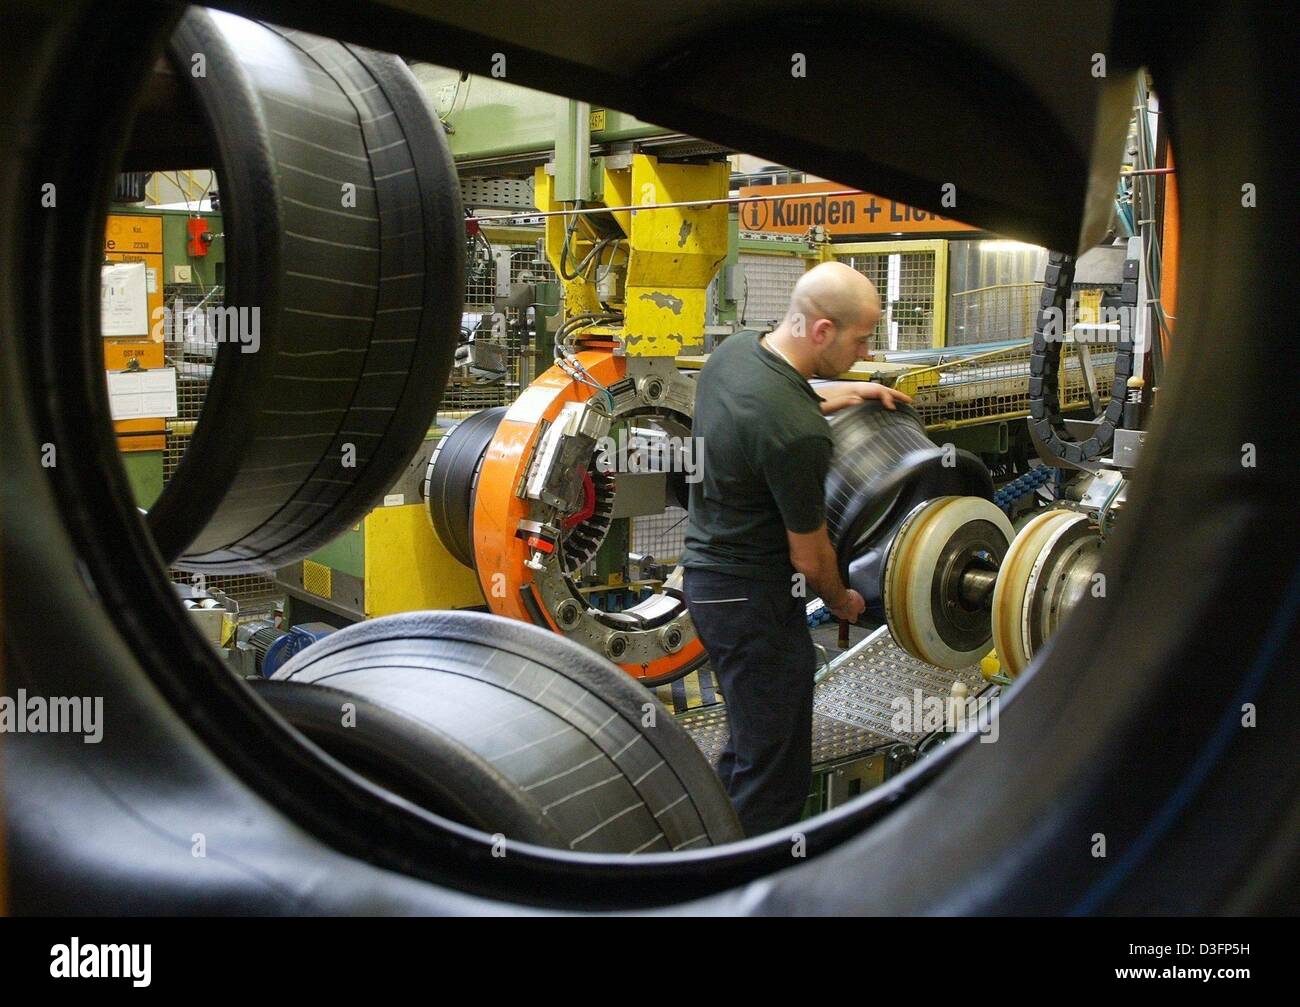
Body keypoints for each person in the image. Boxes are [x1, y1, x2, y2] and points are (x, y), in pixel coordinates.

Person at [681, 260, 911, 835]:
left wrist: (850, 390)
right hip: (755, 606)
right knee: (776, 775)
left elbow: (780, 401)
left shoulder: (734, 355)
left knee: (751, 744)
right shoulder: (800, 436)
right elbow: (810, 560)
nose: (866, 351)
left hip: (709, 586)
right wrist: (844, 602)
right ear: (822, 332)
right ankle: (734, 888)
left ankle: (704, 844)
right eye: (861, 340)